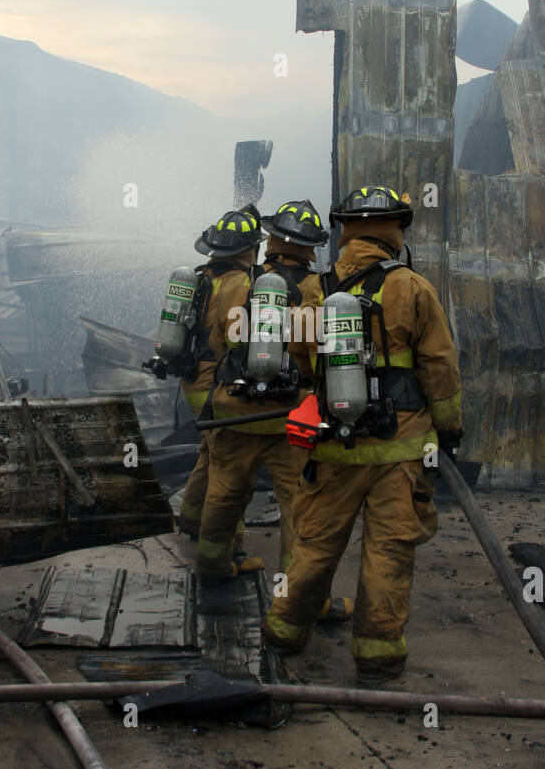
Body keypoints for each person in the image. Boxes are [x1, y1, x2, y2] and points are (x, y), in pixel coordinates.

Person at [260, 185, 463, 685]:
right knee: (389, 549)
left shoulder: (318, 291)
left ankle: (285, 632)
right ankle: (377, 656)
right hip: (400, 448)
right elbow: (439, 365)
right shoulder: (413, 288)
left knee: (314, 544)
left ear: (345, 231)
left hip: (334, 444)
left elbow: (302, 360)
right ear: (396, 231)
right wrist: (450, 429)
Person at [197, 200, 329, 583]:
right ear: (310, 247)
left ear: (270, 241)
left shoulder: (241, 283)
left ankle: (212, 569)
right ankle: (293, 595)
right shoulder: (315, 292)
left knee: (223, 495)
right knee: (297, 506)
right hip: (287, 420)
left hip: (233, 410)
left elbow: (220, 346)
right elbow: (319, 359)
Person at [176, 207, 262, 555]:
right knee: (230, 463)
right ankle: (228, 543)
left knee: (210, 451)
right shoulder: (238, 284)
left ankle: (193, 518)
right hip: (215, 381)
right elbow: (238, 343)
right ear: (250, 249)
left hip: (193, 378)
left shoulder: (202, 277)